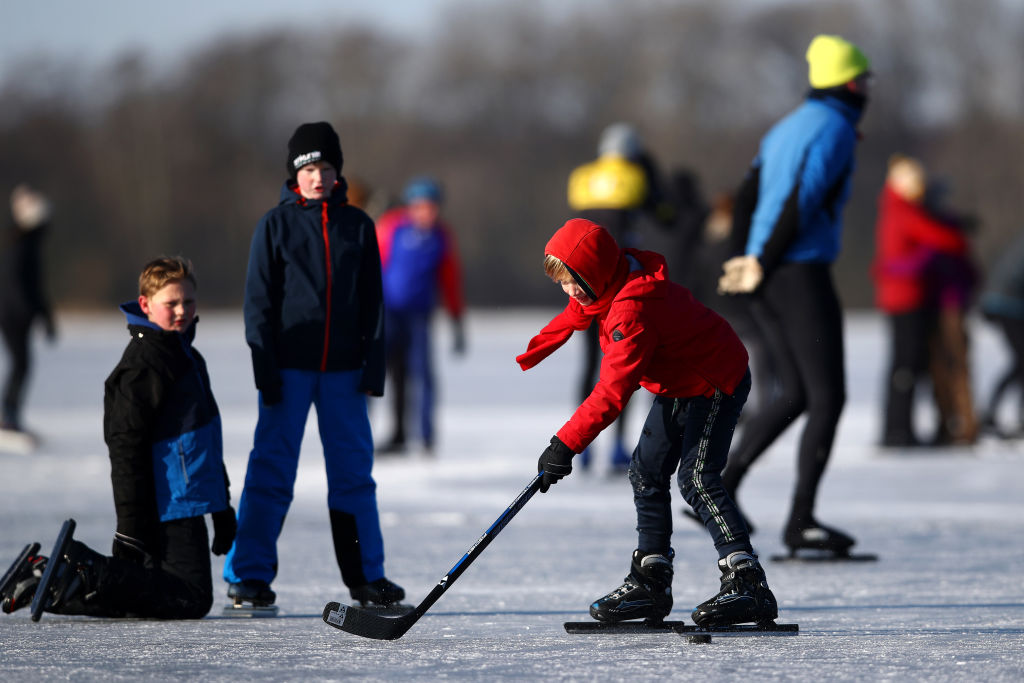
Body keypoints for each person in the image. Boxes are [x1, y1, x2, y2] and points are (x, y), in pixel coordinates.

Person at [518, 218, 778, 627]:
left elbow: (611, 392)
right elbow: (578, 311)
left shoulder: (630, 311)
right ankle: (651, 581)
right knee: (646, 471)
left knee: (697, 479)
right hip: (679, 381)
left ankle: (747, 581)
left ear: (596, 273)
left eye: (573, 281)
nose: (569, 292)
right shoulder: (609, 284)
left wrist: (564, 445)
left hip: (714, 379)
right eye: (562, 283)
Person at [225, 121, 404, 608]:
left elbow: (374, 305)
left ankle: (367, 577)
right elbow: (257, 303)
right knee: (271, 472)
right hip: (288, 371)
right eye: (308, 168)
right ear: (294, 175)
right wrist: (264, 364)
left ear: (337, 171)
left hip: (344, 373)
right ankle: (249, 575)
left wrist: (372, 367)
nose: (317, 176)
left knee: (353, 476)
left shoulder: (358, 226)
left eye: (325, 166)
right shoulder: (275, 225)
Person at [1, 256, 235, 618]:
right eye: (170, 303)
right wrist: (130, 527)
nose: (181, 311)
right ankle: (70, 571)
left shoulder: (188, 357)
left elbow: (206, 442)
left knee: (149, 592)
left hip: (188, 501)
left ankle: (43, 580)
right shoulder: (144, 364)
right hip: (165, 505)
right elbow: (125, 449)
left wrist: (222, 509)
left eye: (188, 302)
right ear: (145, 304)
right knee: (190, 596)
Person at [715, 34, 872, 556]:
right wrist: (765, 260)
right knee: (828, 396)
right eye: (863, 80)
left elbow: (746, 196)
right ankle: (800, 519)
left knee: (794, 394)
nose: (867, 89)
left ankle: (722, 486)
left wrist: (742, 259)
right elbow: (802, 201)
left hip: (766, 271)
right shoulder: (835, 128)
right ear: (848, 82)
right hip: (796, 270)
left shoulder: (787, 126)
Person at [566, 123, 675, 471]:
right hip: (620, 285)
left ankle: (580, 445)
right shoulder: (634, 176)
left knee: (587, 364)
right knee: (624, 364)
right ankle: (616, 446)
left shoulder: (581, 177)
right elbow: (664, 214)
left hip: (582, 281)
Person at [871, 155, 971, 447]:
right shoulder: (903, 212)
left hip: (906, 299)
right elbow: (945, 240)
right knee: (905, 365)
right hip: (906, 301)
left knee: (907, 365)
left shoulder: (895, 209)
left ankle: (899, 428)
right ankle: (898, 431)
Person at [375, 176, 466, 455]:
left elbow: (450, 280)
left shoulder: (441, 236)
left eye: (433, 207)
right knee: (385, 374)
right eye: (423, 207)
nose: (429, 213)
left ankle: (426, 437)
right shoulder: (391, 227)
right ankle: (393, 435)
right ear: (412, 207)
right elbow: (371, 267)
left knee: (423, 375)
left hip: (419, 317)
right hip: (388, 313)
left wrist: (456, 320)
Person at [0, 184, 57, 447]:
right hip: (11, 314)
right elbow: (16, 283)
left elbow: (36, 286)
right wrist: (28, 312)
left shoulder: (30, 244)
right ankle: (7, 416)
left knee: (22, 364)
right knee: (21, 363)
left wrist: (46, 317)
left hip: (18, 314)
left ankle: (10, 415)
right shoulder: (20, 244)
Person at [978, 231, 1024, 438]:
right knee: (1022, 361)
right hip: (1008, 305)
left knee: (1020, 362)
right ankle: (990, 414)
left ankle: (991, 413)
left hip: (1004, 303)